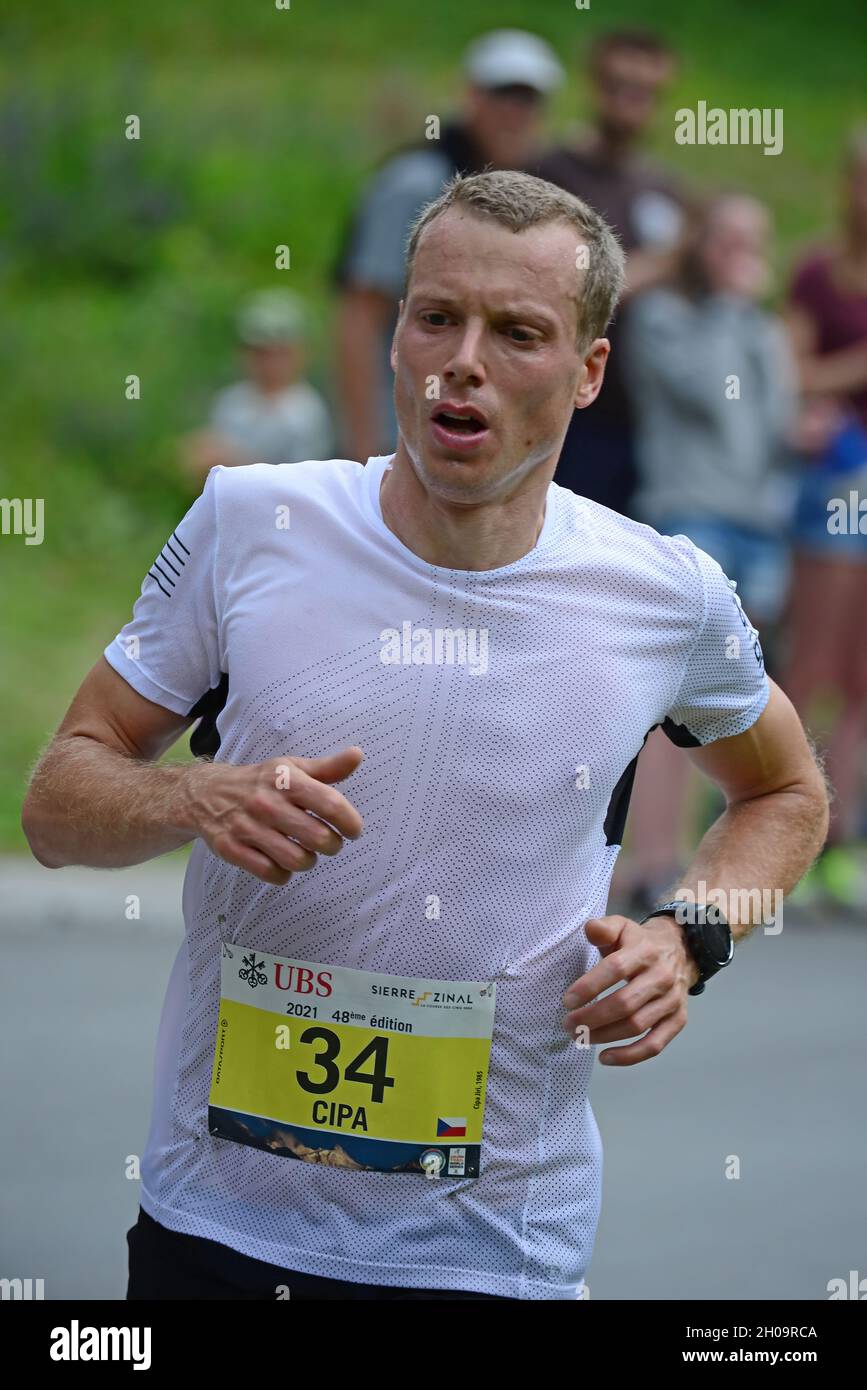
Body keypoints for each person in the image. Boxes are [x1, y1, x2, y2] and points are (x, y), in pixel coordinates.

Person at [22, 171, 828, 1302]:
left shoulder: (666, 594)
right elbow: (56, 802)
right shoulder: (254, 524)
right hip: (217, 1228)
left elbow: (787, 794)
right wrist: (190, 798)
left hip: (495, 1252)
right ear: (398, 330)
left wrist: (691, 937)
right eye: (436, 315)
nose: (464, 359)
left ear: (591, 371)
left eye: (519, 332)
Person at [617, 194, 797, 907]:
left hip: (754, 524)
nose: (736, 255)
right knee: (668, 701)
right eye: (723, 239)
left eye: (750, 242)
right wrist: (730, 311)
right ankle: (649, 859)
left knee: (721, 702)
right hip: (688, 516)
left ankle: (688, 860)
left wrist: (754, 327)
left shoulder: (759, 327)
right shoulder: (664, 316)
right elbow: (707, 396)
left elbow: (775, 420)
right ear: (698, 245)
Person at [334, 29, 563, 464]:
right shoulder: (414, 183)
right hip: (397, 435)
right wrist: (362, 448)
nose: (515, 112)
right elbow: (360, 316)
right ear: (473, 97)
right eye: (503, 95)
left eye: (528, 99)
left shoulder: (524, 192)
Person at [532, 28, 684, 514]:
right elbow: (542, 291)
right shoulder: (549, 177)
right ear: (595, 86)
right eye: (620, 85)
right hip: (568, 411)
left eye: (646, 91)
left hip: (648, 418)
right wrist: (652, 269)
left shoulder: (664, 189)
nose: (632, 101)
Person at [782, 127, 867, 908]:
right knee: (813, 662)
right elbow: (793, 374)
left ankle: (842, 840)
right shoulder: (816, 273)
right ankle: (784, 823)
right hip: (839, 480)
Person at [181, 289, 332, 485]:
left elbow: (304, 483)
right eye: (261, 352)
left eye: (280, 352)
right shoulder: (230, 400)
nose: (270, 362)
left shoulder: (306, 410)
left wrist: (232, 461)